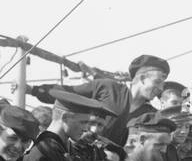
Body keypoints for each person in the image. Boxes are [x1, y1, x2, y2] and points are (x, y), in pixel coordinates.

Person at [37, 54, 169, 148]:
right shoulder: (108, 88)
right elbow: (67, 92)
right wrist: (33, 90)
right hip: (80, 154)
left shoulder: (152, 115)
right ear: (142, 78)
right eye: (157, 82)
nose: (161, 88)